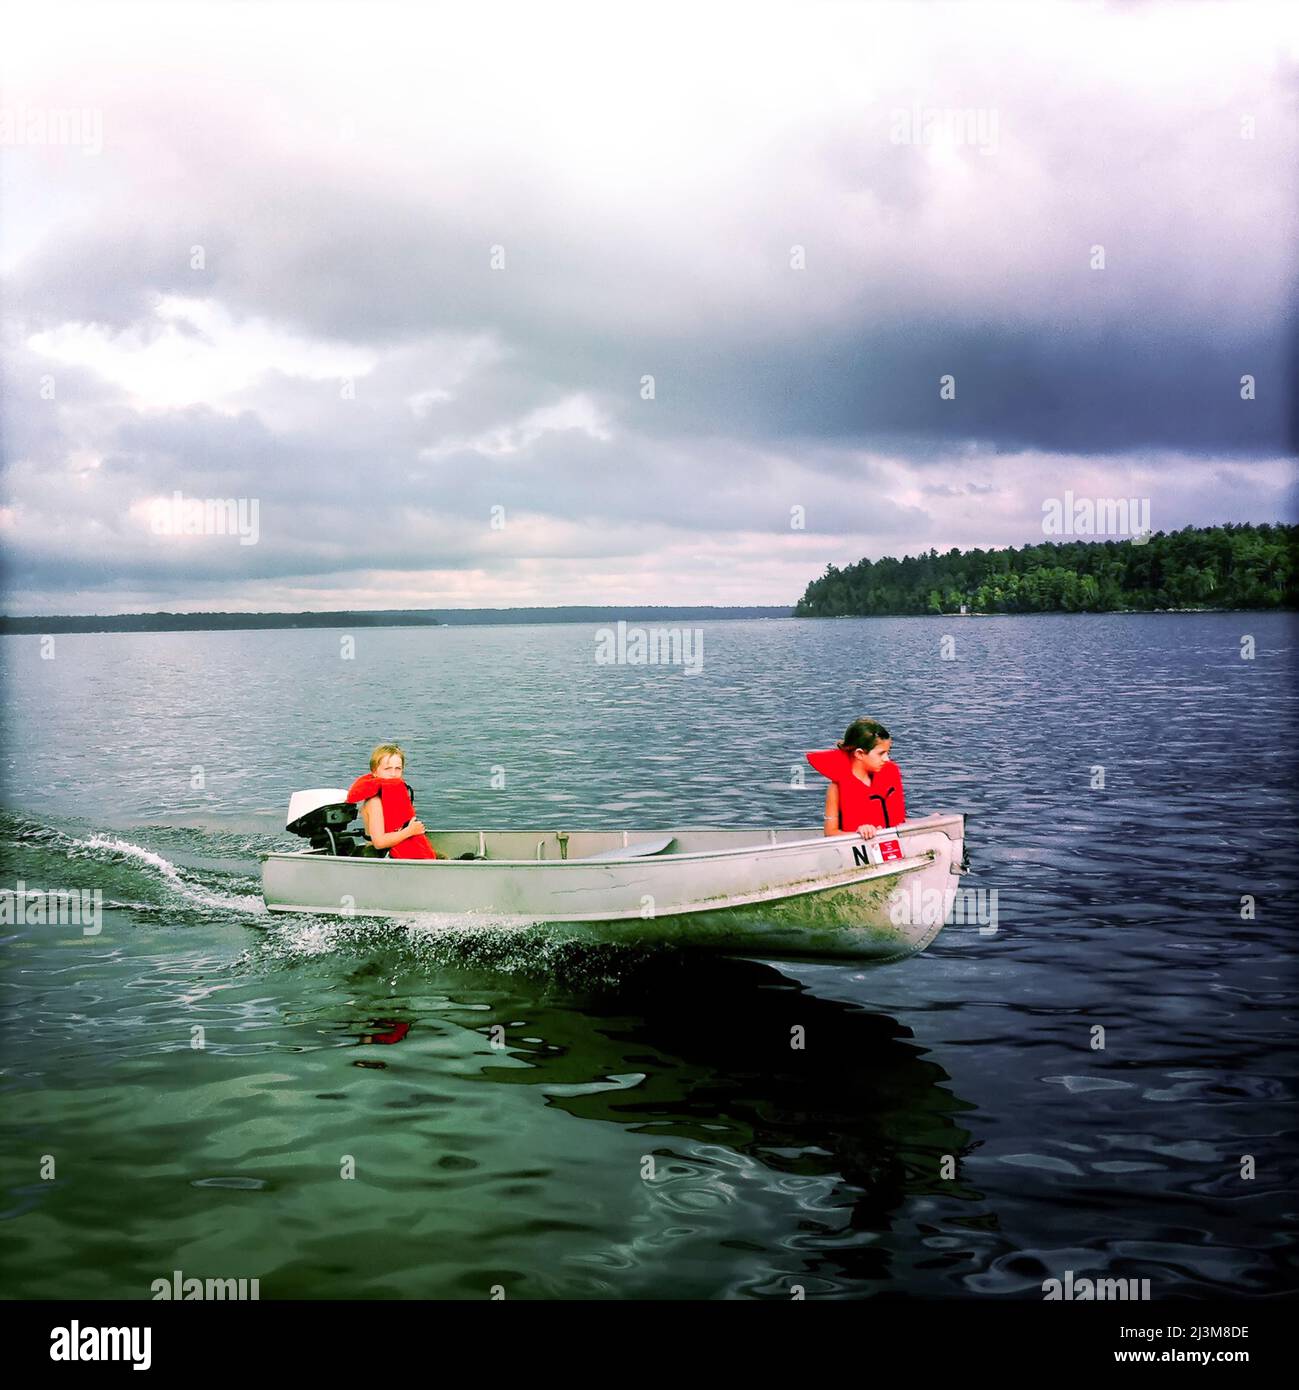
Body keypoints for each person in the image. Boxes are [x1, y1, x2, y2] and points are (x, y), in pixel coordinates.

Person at [806, 717, 907, 835]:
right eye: (881, 753)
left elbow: (902, 821)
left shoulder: (890, 775)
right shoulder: (836, 788)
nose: (887, 759)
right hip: (856, 848)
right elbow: (830, 832)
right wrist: (859, 833)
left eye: (888, 752)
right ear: (859, 754)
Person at [346, 743, 439, 859]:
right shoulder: (374, 802)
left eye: (398, 769)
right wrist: (410, 831)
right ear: (374, 772)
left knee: (454, 857)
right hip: (383, 854)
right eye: (387, 769)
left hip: (400, 847)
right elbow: (379, 843)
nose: (393, 774)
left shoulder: (395, 794)